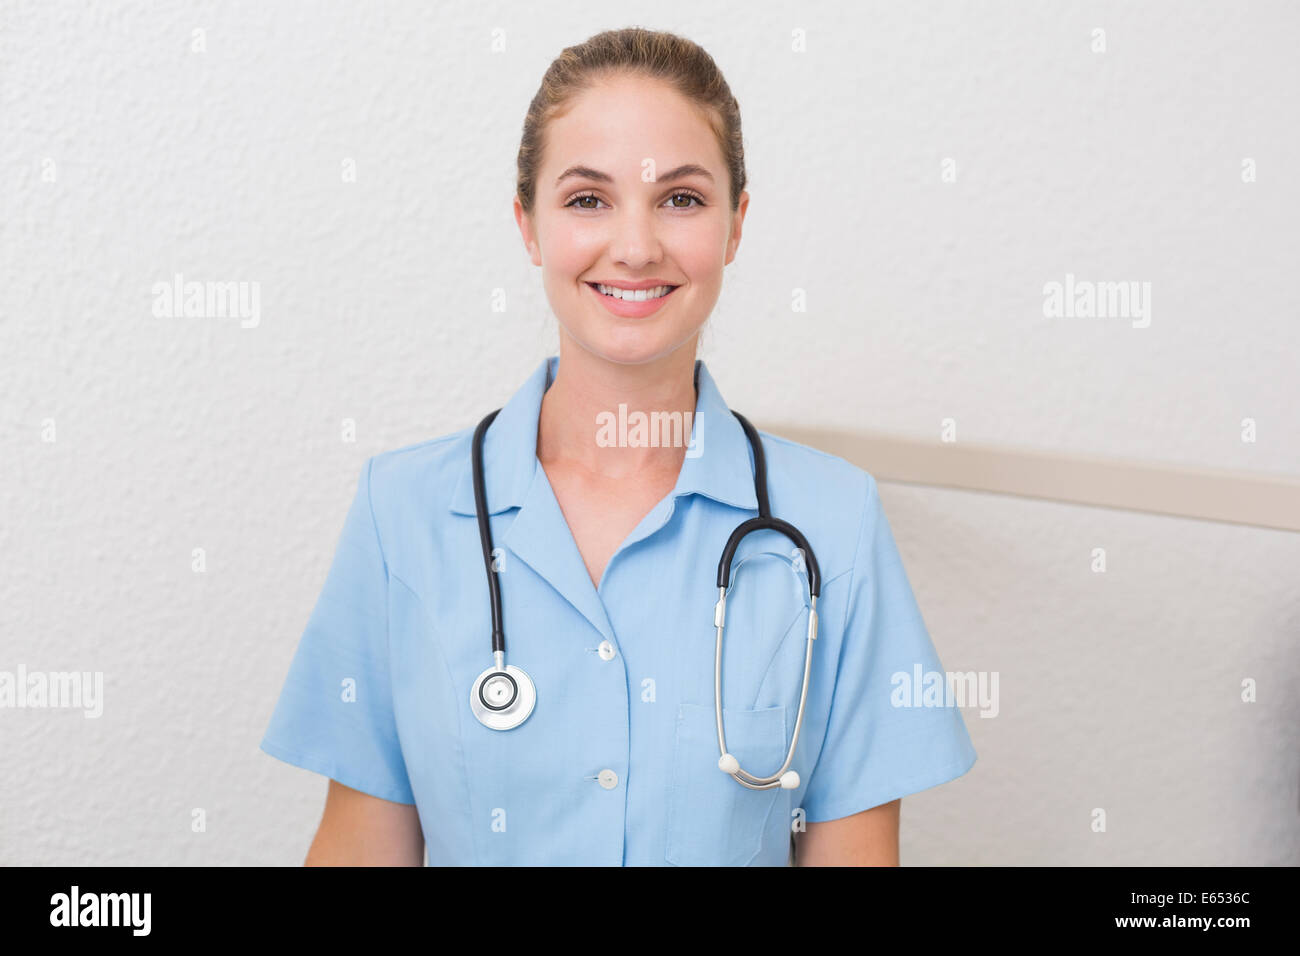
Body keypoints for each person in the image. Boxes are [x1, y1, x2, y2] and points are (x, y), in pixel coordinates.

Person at [259, 26, 976, 866]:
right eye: (588, 199)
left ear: (735, 226)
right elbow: (360, 851)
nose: (635, 246)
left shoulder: (833, 522)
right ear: (528, 225)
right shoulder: (403, 513)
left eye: (680, 198)